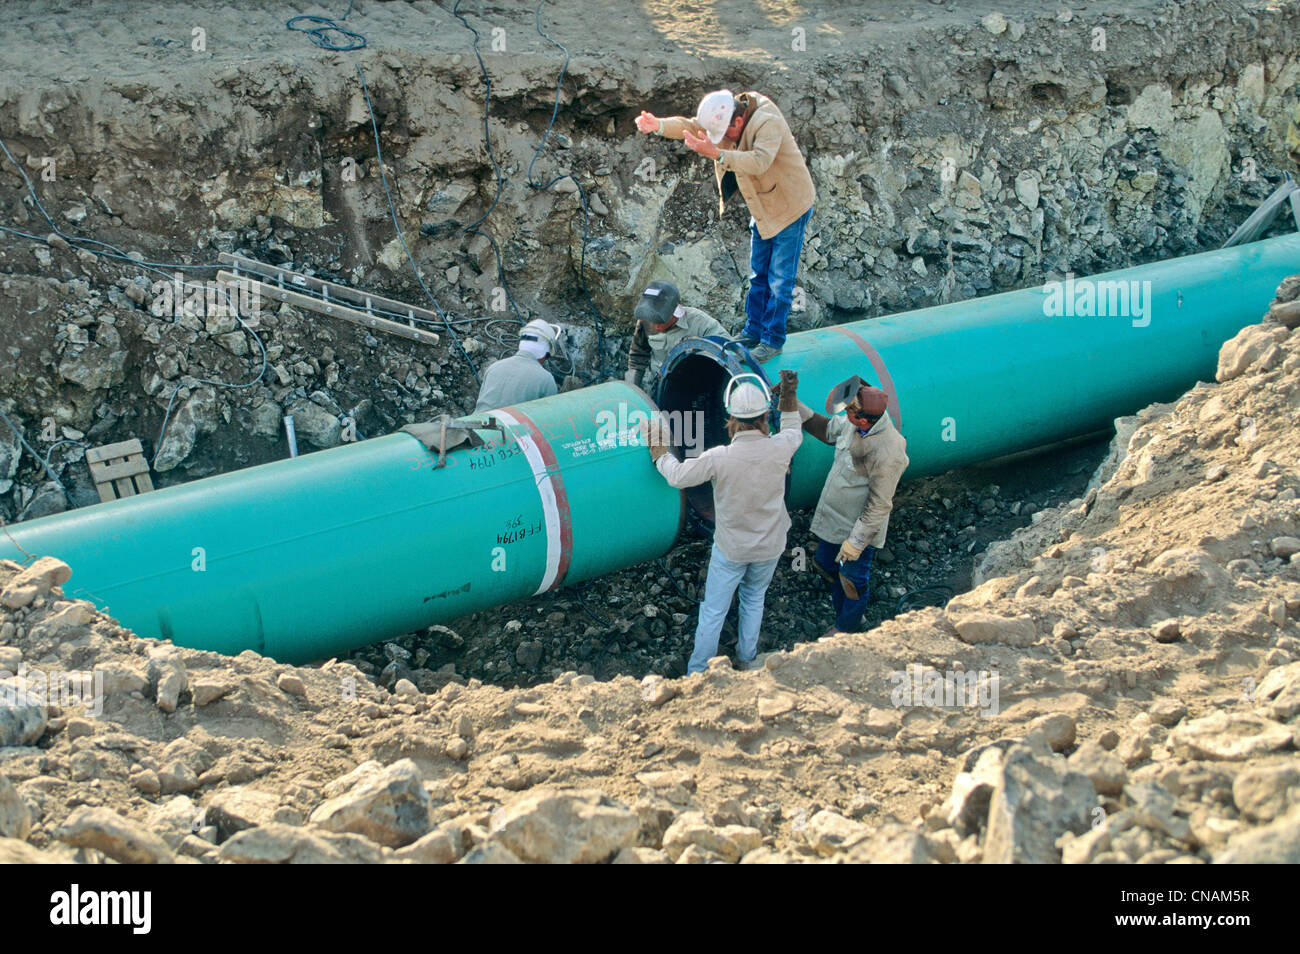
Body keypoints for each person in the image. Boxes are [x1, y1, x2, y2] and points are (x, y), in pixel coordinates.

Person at [635, 90, 815, 363]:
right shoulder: (727, 114)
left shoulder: (767, 121)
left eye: (724, 135)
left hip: (789, 207)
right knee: (758, 275)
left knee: (780, 281)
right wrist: (657, 125)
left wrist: (717, 153)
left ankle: (772, 340)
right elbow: (690, 125)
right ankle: (754, 331)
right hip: (764, 208)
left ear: (738, 122)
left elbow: (759, 161)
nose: (722, 140)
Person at [644, 370, 802, 673]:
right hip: (770, 545)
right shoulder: (782, 447)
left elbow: (677, 476)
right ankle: (746, 657)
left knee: (714, 610)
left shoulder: (719, 458)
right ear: (764, 418)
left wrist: (658, 447)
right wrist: (789, 394)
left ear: (731, 419)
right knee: (754, 599)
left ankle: (699, 671)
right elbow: (794, 426)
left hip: (732, 549)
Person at [797, 380, 909, 637]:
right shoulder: (852, 424)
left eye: (849, 412)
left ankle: (848, 627)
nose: (844, 416)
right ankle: (847, 613)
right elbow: (825, 429)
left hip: (859, 528)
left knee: (852, 579)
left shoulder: (889, 450)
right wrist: (793, 404)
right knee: (825, 565)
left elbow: (879, 503)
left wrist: (856, 543)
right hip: (836, 520)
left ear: (863, 420)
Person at [625, 280, 727, 389]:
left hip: (695, 386)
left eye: (660, 322)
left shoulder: (701, 323)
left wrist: (698, 345)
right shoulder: (645, 320)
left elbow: (730, 350)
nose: (656, 326)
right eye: (652, 321)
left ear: (676, 313)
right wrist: (632, 390)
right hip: (658, 386)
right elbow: (637, 358)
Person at [472, 319, 561, 414]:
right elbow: (549, 419)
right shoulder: (546, 380)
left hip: (476, 425)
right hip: (510, 428)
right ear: (546, 352)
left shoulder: (494, 367)